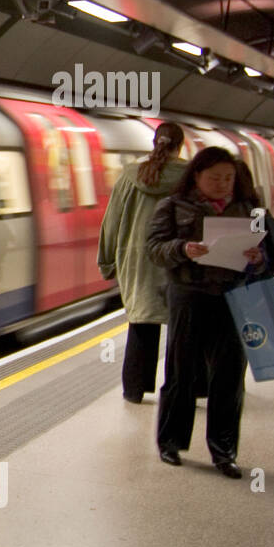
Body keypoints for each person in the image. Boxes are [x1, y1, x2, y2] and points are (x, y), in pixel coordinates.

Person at [146, 147, 274, 477]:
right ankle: (171, 443)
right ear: (196, 176)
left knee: (229, 376)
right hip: (189, 295)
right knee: (181, 372)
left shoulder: (250, 209)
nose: (222, 184)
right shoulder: (171, 207)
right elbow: (154, 249)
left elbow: (273, 252)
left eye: (228, 178)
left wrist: (258, 259)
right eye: (214, 177)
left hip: (234, 296)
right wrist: (183, 249)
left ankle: (224, 451)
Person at [97, 122, 187, 402]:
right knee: (181, 327)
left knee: (142, 322)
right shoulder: (190, 176)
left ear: (155, 142)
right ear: (180, 146)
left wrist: (107, 261)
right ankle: (182, 388)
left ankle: (135, 389)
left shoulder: (129, 176)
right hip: (179, 257)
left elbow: (111, 221)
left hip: (137, 259)